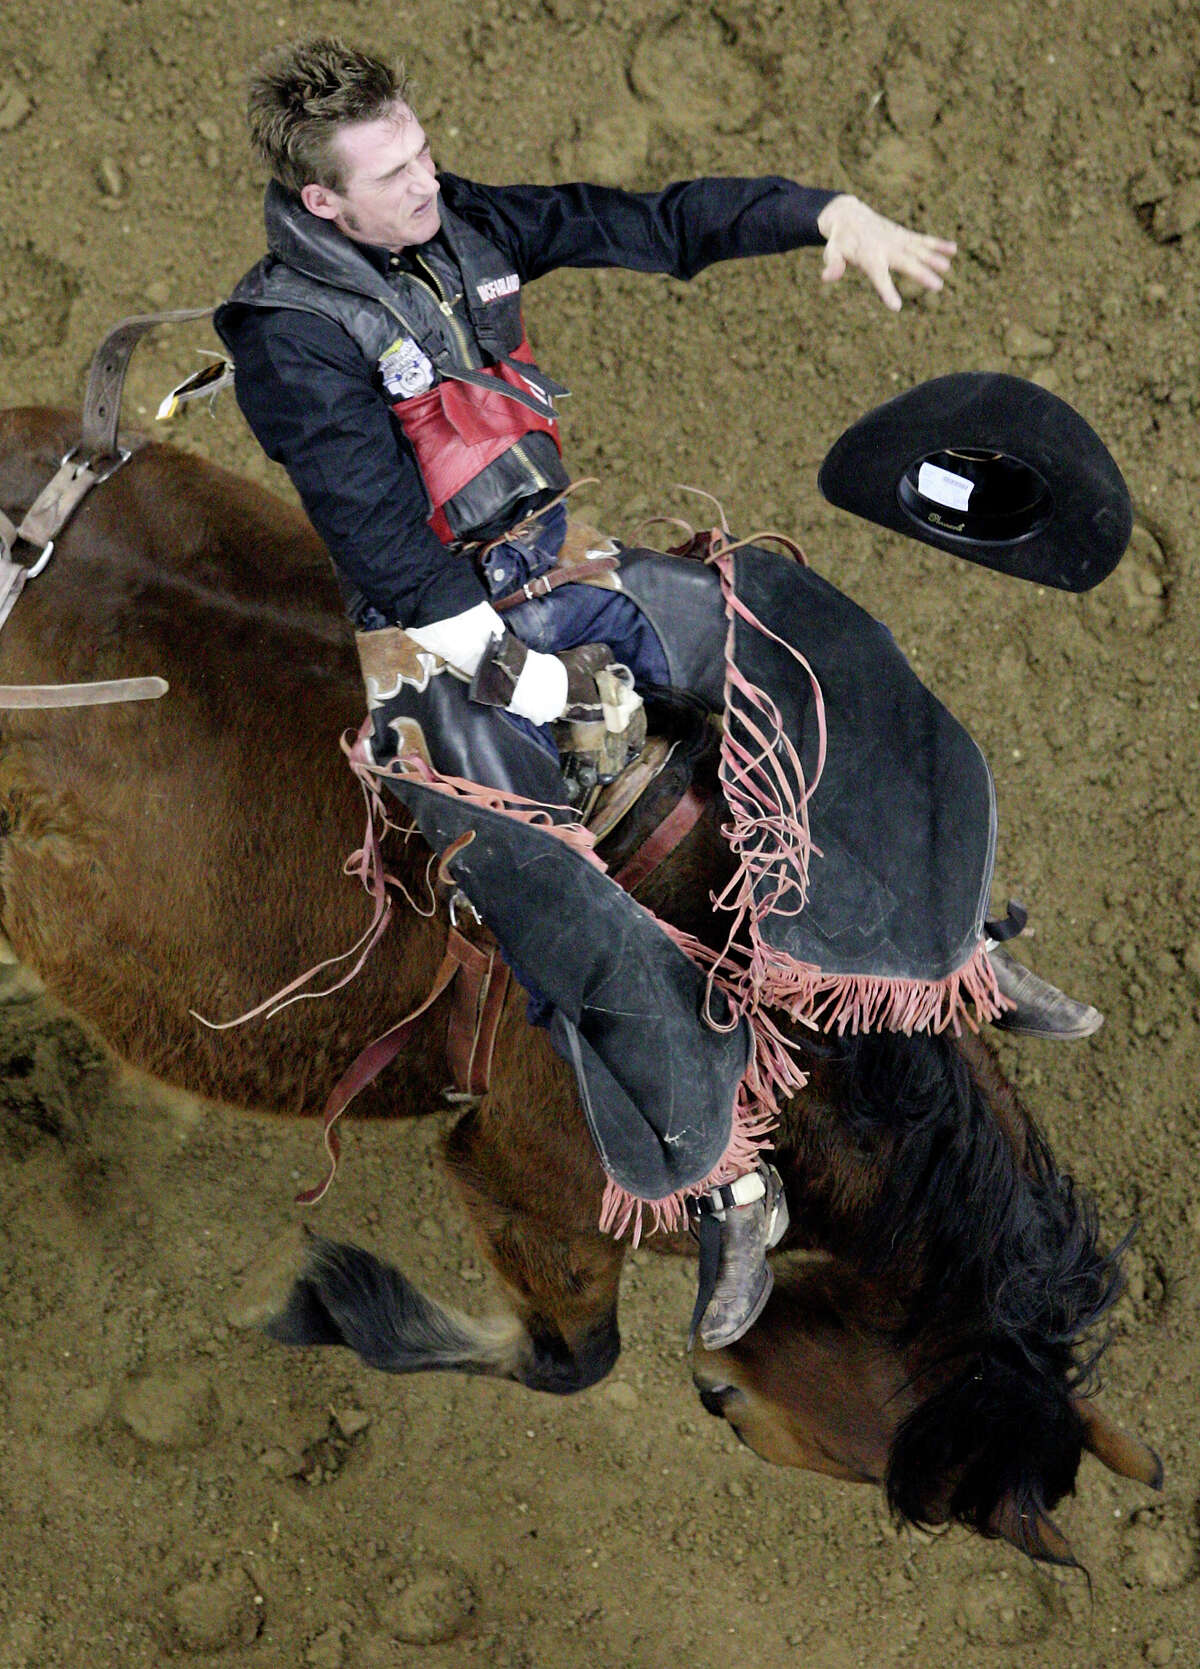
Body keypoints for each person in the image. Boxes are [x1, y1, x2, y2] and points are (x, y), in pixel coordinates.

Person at [215, 37, 1100, 1352]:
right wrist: (542, 682)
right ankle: (720, 1172)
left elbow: (647, 222)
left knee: (798, 633)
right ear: (324, 206)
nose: (427, 177)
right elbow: (391, 555)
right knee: (540, 886)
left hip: (560, 570)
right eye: (393, 172)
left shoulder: (459, 220)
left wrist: (825, 214)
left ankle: (938, 943)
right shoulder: (289, 345)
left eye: (421, 148)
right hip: (436, 650)